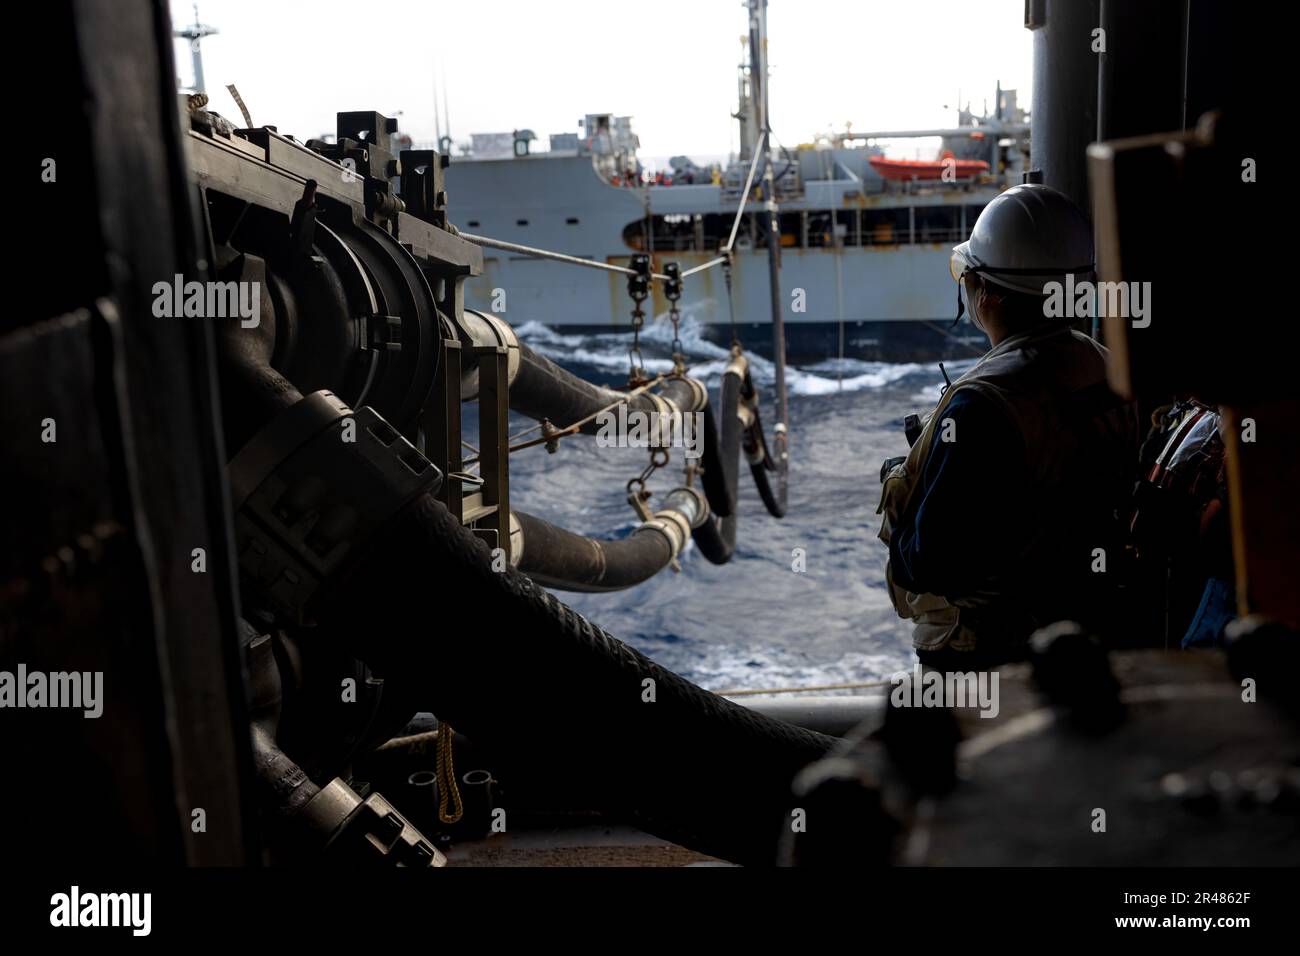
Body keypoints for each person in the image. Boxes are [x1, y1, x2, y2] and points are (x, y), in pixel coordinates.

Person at [877, 184, 1138, 671]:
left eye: (966, 274)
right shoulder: (1105, 365)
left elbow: (934, 563)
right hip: (1083, 627)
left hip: (983, 650)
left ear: (989, 294)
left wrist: (905, 494)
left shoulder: (982, 405)